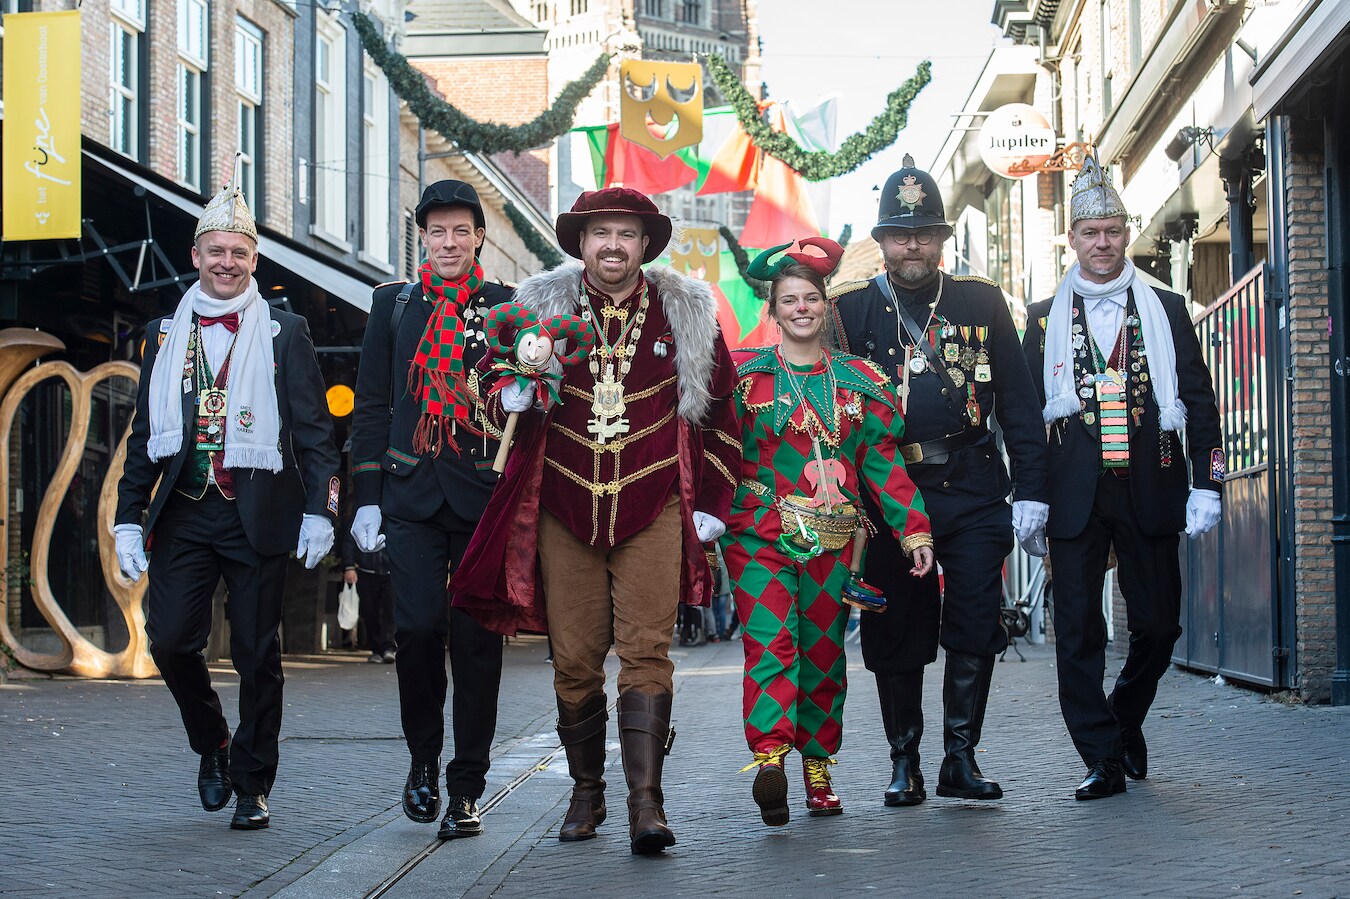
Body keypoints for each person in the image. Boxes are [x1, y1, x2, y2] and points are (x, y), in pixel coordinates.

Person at [451, 187, 741, 854]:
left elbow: (725, 418)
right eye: (600, 232)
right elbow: (490, 395)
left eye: (626, 233)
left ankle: (647, 802)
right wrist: (512, 391)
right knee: (575, 660)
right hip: (563, 506)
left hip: (654, 504)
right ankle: (587, 789)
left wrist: (711, 509)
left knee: (647, 652)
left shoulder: (686, 312)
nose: (613, 244)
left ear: (645, 244)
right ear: (580, 242)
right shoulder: (536, 309)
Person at [114, 175, 340, 831]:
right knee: (172, 641)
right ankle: (212, 741)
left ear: (252, 260)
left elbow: (315, 432)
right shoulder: (162, 334)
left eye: (238, 252)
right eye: (215, 250)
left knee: (255, 653)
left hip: (258, 512)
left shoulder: (284, 332)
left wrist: (322, 508)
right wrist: (130, 517)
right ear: (196, 256)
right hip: (186, 511)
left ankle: (251, 782)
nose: (226, 262)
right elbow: (141, 439)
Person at [829, 154, 1049, 806]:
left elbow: (1020, 402)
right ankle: (905, 762)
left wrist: (1031, 489)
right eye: (900, 233)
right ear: (883, 241)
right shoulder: (850, 312)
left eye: (924, 231)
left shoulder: (980, 302)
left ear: (941, 237)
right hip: (888, 496)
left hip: (974, 483)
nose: (913, 243)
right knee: (894, 628)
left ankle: (960, 756)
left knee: (978, 620)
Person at [1022, 156, 1223, 800]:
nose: (1102, 243)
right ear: (1073, 239)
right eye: (1091, 232)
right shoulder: (1040, 319)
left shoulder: (1166, 308)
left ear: (1125, 233)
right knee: (1076, 631)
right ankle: (1102, 756)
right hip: (1073, 495)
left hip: (1151, 487)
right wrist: (1026, 494)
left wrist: (1209, 481)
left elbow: (1201, 401)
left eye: (1112, 230)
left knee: (1161, 626)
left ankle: (1123, 719)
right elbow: (1027, 418)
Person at [722, 238, 934, 827]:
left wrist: (914, 531)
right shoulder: (742, 378)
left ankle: (817, 767)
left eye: (811, 298)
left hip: (833, 537)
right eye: (788, 299)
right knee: (771, 642)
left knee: (820, 654)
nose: (801, 308)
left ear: (826, 306)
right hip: (757, 533)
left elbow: (883, 466)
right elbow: (718, 455)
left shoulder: (859, 383)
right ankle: (770, 757)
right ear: (773, 308)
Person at [348, 180, 513, 840]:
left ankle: (467, 785)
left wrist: (519, 396)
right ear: (423, 237)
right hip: (409, 493)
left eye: (460, 231)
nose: (448, 242)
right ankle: (423, 759)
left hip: (479, 496)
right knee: (415, 630)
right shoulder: (394, 305)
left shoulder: (505, 307)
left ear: (479, 237)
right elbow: (371, 405)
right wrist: (363, 499)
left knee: (477, 643)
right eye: (435, 231)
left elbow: (520, 397)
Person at [340, 509, 395, 663]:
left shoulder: (394, 512)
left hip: (391, 571)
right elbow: (349, 540)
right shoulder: (362, 511)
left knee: (390, 611)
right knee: (370, 611)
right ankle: (376, 648)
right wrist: (349, 566)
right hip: (366, 570)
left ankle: (388, 647)